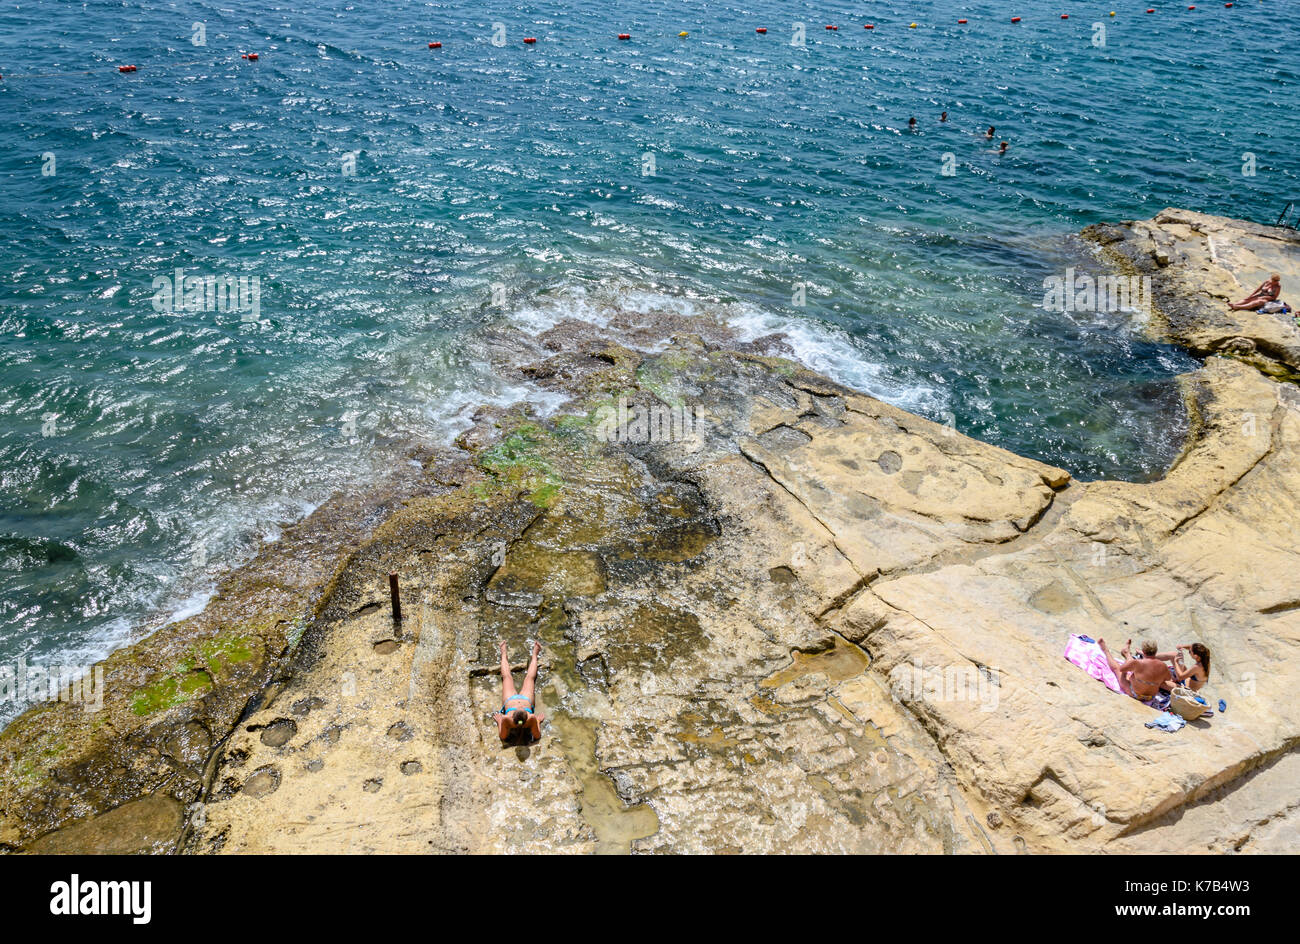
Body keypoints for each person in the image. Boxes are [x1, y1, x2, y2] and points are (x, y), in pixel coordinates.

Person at [494, 640, 544, 745]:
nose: (519, 706)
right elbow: (537, 736)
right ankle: (535, 654)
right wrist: (538, 722)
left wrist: (499, 722)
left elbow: (502, 736)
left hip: (511, 699)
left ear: (512, 716)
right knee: (529, 678)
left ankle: (503, 653)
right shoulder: (532, 718)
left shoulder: (506, 719)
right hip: (525, 699)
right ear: (527, 714)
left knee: (507, 677)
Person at [1098, 638, 1169, 703]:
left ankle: (1105, 650)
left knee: (1117, 669)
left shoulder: (1138, 663)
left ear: (1143, 651)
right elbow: (1168, 678)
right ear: (1156, 651)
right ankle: (1126, 652)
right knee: (1139, 672)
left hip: (1134, 694)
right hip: (1150, 697)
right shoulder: (1163, 666)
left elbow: (1122, 669)